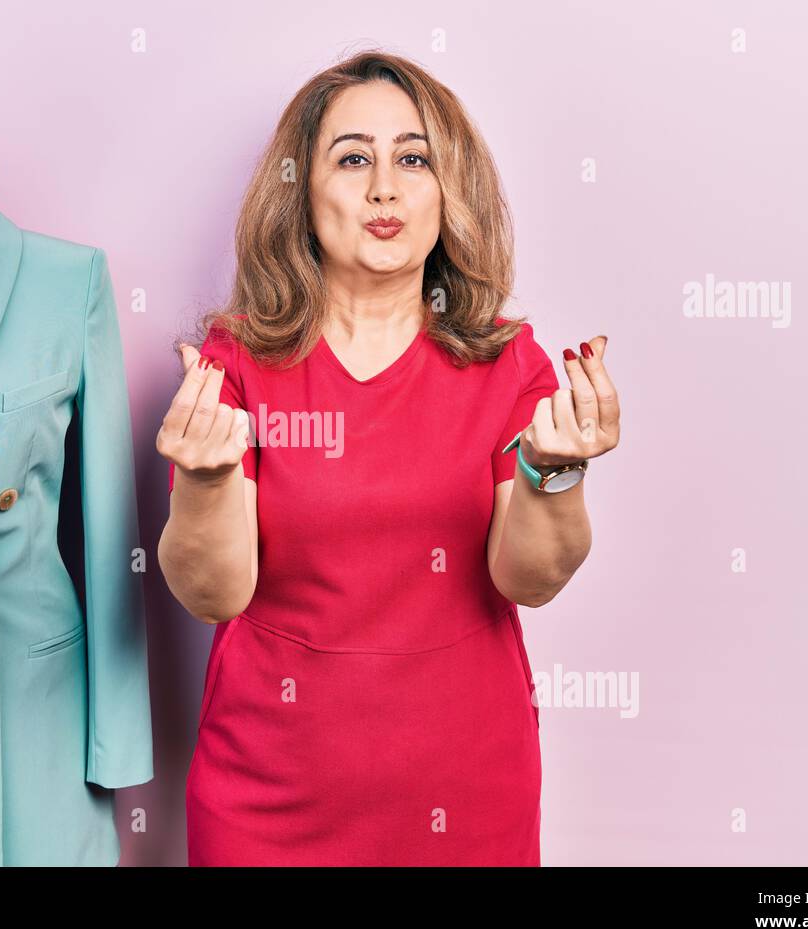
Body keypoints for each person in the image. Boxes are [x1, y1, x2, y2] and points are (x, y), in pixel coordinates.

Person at [156, 51, 620, 865]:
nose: (385, 188)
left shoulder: (511, 366)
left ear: (449, 192)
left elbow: (532, 579)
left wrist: (555, 470)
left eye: (414, 159)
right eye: (352, 158)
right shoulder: (235, 364)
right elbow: (213, 592)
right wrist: (203, 478)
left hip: (468, 796)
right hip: (266, 800)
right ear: (300, 194)